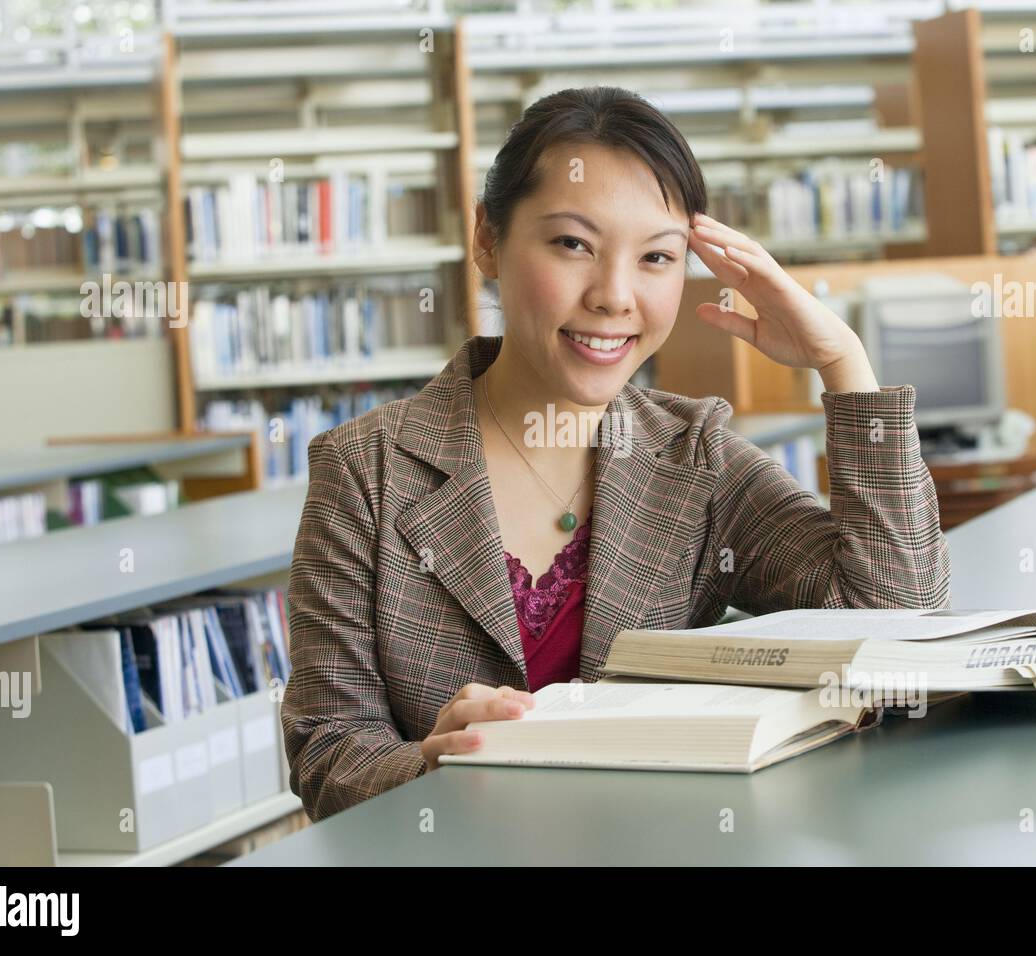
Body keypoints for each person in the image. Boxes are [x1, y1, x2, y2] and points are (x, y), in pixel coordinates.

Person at [282, 86, 950, 821]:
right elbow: (327, 750)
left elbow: (896, 617)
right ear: (487, 239)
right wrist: (426, 766)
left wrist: (842, 361)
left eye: (657, 257)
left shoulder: (693, 456)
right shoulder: (365, 470)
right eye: (572, 244)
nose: (614, 296)